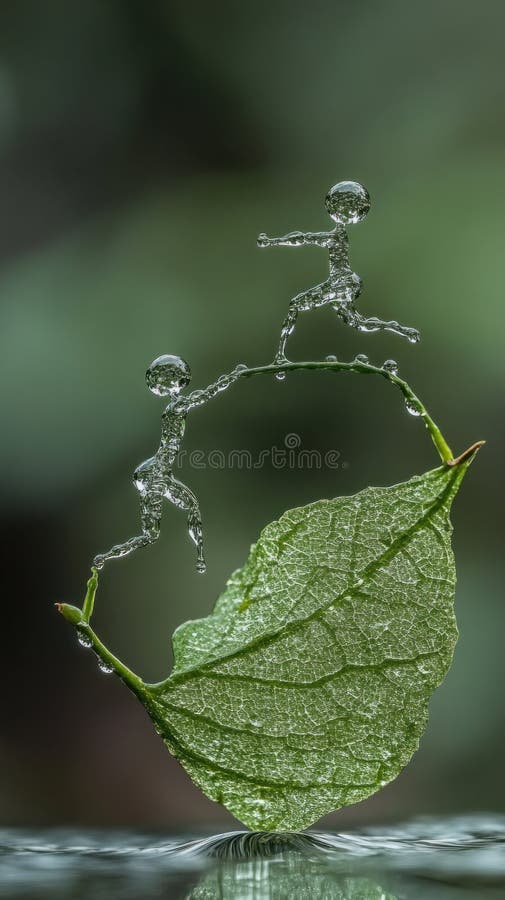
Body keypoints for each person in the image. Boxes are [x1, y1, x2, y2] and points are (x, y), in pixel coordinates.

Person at [93, 354, 244, 574]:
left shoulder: (173, 406)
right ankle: (105, 557)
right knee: (153, 533)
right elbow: (206, 394)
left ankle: (199, 557)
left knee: (176, 516)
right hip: (157, 473)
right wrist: (233, 375)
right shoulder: (178, 405)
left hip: (156, 472)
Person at [258, 180, 419, 363]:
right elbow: (303, 238)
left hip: (343, 282)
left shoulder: (335, 236)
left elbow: (303, 238)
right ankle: (402, 330)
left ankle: (280, 357)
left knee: (296, 304)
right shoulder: (339, 235)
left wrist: (271, 241)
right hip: (344, 282)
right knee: (358, 323)